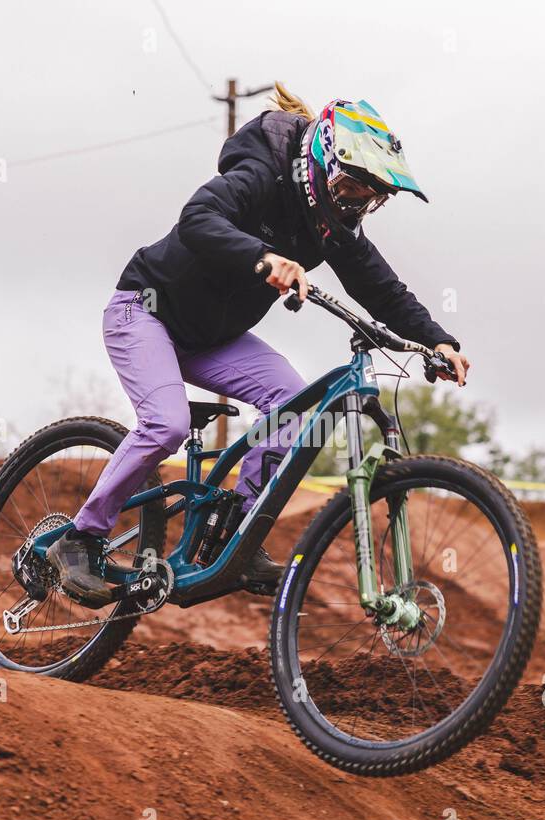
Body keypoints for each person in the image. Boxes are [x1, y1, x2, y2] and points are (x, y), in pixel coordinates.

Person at [49, 84, 469, 606]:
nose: (356, 202)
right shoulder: (261, 173)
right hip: (144, 311)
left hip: (211, 340)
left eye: (370, 197)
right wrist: (263, 256)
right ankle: (80, 537)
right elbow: (198, 219)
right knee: (168, 424)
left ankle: (235, 538)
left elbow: (381, 287)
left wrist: (438, 340)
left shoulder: (331, 226)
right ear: (318, 160)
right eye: (350, 185)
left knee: (293, 404)